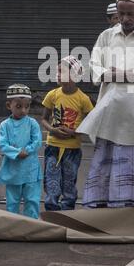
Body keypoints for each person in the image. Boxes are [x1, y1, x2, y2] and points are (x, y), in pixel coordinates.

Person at [78, 0, 134, 208]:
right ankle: (99, 207)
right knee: (103, 162)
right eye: (121, 13)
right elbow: (95, 67)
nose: (124, 19)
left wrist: (121, 74)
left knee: (131, 163)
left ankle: (126, 211)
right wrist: (116, 74)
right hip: (109, 112)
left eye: (130, 14)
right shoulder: (107, 36)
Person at [41, 56, 94, 211]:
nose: (57, 74)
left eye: (61, 71)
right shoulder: (52, 95)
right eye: (57, 71)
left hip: (72, 149)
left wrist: (74, 132)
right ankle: (51, 209)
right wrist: (52, 130)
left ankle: (68, 209)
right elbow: (44, 119)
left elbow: (91, 123)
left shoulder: (83, 99)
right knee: (51, 179)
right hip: (52, 147)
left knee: (69, 181)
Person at [0, 84, 42, 219]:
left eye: (27, 106)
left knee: (32, 199)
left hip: (30, 169)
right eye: (19, 106)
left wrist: (27, 151)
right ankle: (12, 224)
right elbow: (2, 144)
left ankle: (31, 224)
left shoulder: (32, 123)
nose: (23, 110)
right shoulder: (5, 125)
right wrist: (16, 152)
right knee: (12, 201)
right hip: (13, 169)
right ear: (9, 105)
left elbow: (37, 141)